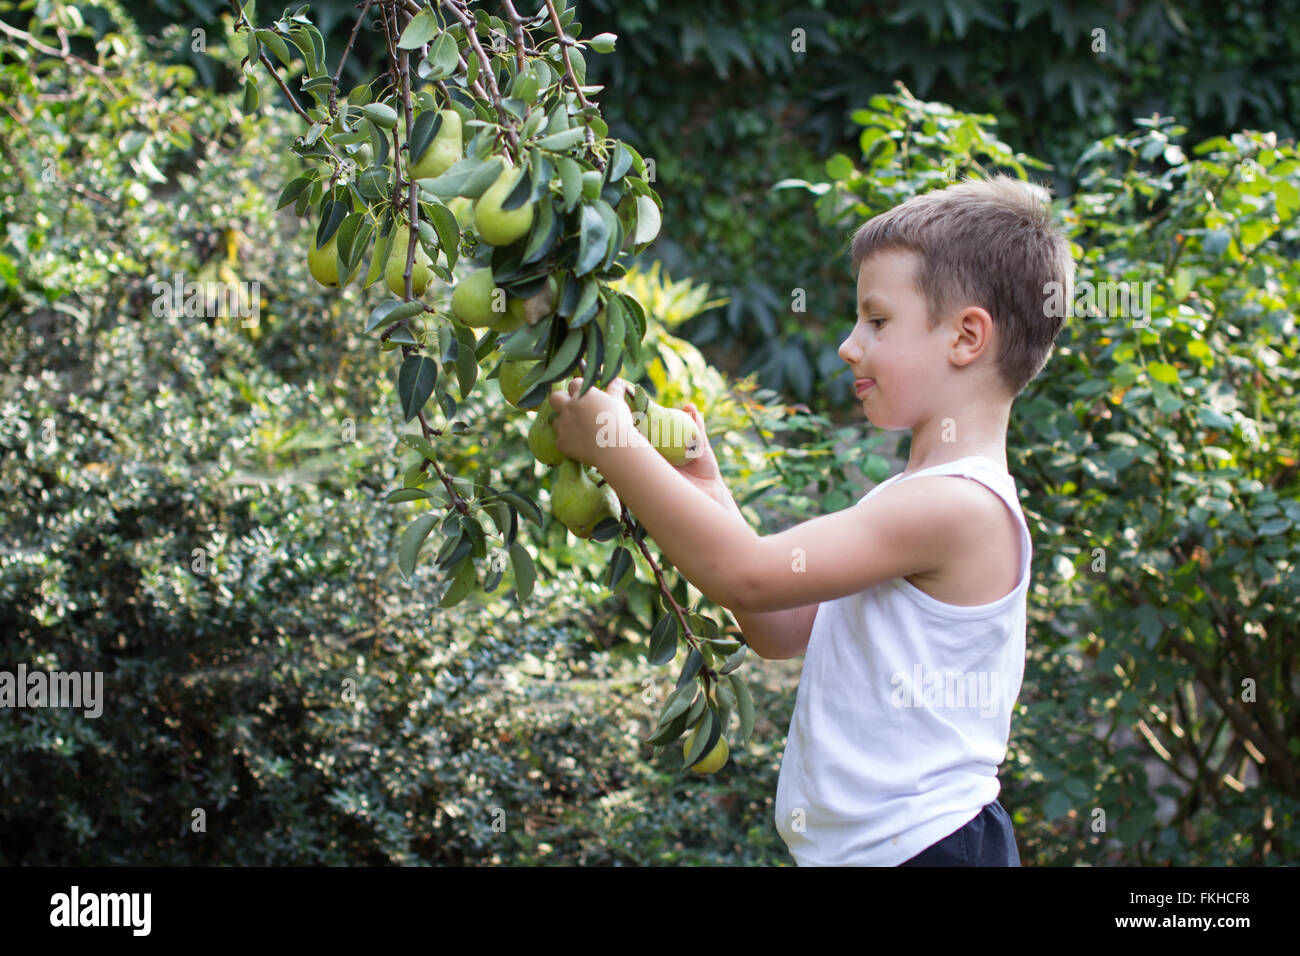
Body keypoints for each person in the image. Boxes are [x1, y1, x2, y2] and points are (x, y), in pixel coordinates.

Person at [547, 174, 1075, 867]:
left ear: (967, 336)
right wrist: (706, 485)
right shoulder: (910, 498)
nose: (848, 346)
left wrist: (614, 446)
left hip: (931, 851)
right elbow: (780, 629)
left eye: (878, 321)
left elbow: (747, 577)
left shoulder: (955, 506)